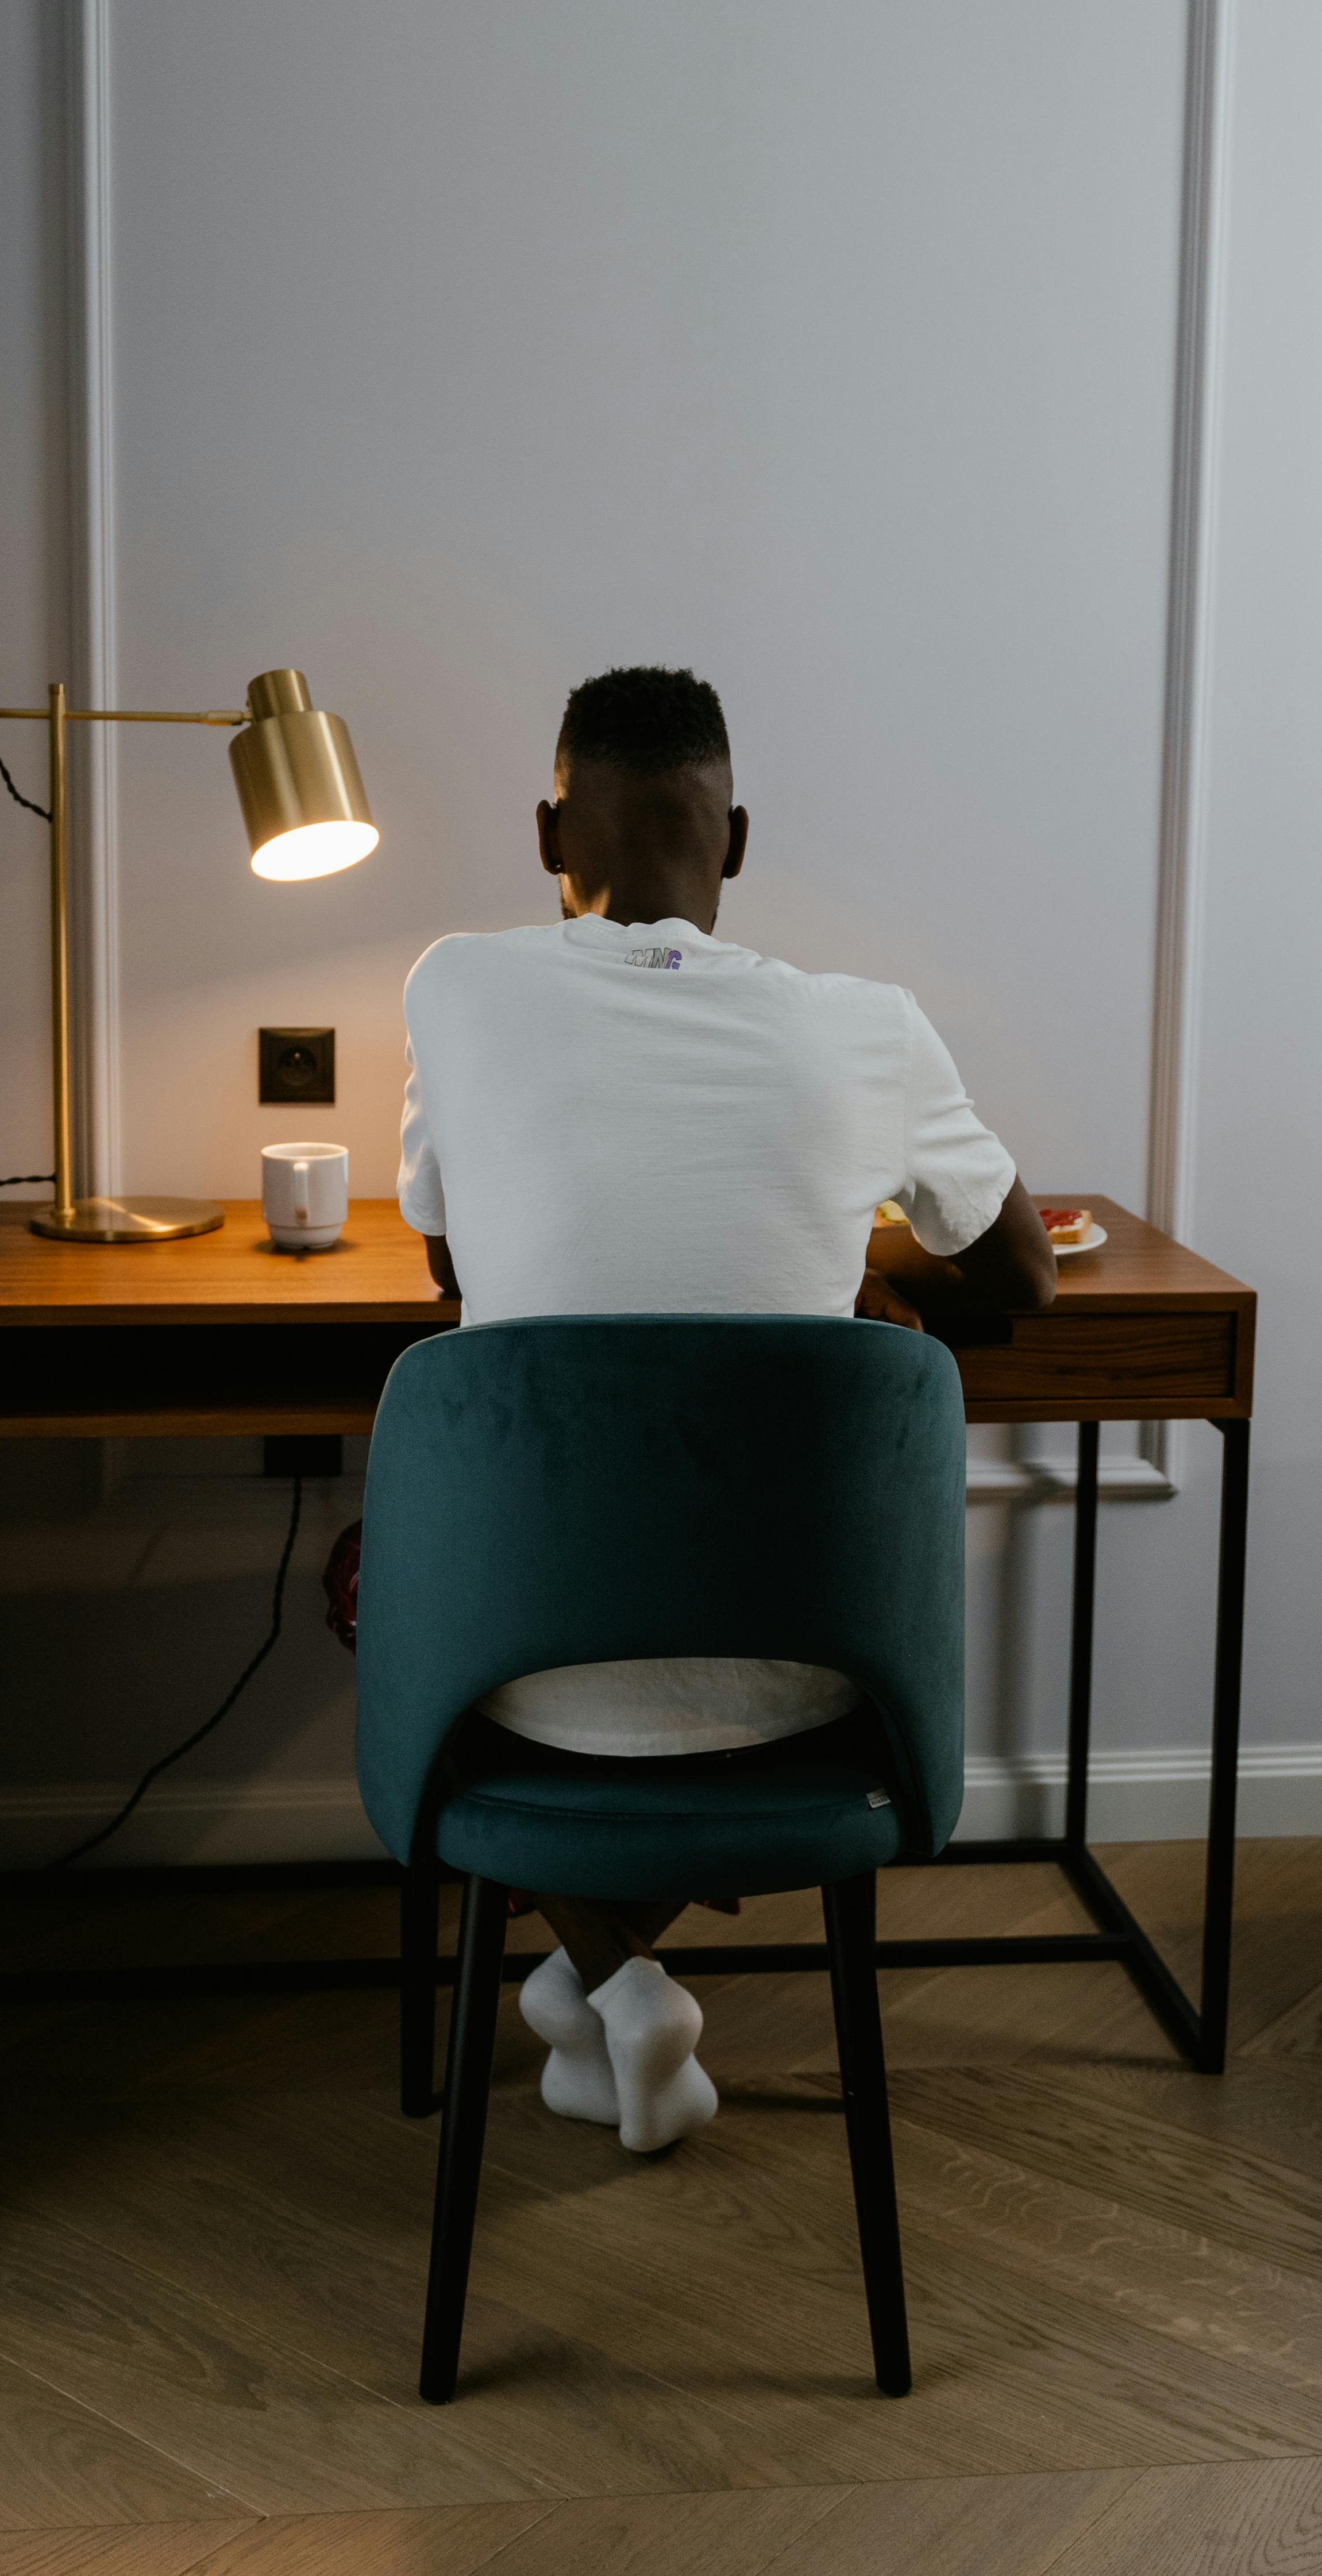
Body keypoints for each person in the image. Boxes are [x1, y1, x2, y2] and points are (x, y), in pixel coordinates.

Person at [396, 665, 1053, 2152]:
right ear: (736, 839)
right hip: (818, 1674)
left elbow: (447, 1249)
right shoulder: (870, 1025)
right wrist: (855, 1268)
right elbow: (1019, 1278)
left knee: (378, 1586)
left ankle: (610, 1982)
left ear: (548, 833)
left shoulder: (454, 986)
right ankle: (612, 1990)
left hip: (516, 1665)